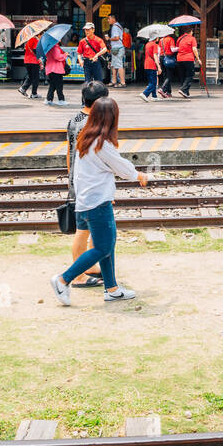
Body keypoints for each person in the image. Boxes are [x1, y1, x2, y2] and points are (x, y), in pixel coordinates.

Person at [50, 97, 147, 306]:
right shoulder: (101, 144)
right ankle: (62, 279)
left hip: (85, 200)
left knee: (107, 244)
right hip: (97, 203)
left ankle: (111, 289)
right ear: (111, 119)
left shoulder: (85, 137)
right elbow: (122, 168)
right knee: (103, 247)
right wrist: (140, 176)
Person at [66, 80, 111, 286]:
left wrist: (71, 177)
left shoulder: (74, 119)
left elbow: (69, 151)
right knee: (84, 230)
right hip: (90, 183)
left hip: (77, 179)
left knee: (88, 228)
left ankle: (89, 267)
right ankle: (78, 275)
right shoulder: (95, 123)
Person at [174, 26, 199, 98]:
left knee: (183, 76)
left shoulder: (179, 38)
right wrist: (198, 58)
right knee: (190, 75)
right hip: (188, 59)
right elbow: (194, 49)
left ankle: (186, 92)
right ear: (191, 32)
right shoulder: (192, 38)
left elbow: (177, 48)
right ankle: (183, 89)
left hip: (179, 59)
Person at [44, 36, 68, 105]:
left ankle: (49, 99)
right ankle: (61, 100)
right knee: (59, 85)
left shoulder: (49, 47)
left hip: (51, 69)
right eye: (59, 37)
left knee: (53, 85)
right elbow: (58, 57)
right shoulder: (55, 47)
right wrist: (65, 55)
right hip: (56, 69)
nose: (60, 39)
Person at [18, 32, 42, 99]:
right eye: (42, 35)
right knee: (36, 78)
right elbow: (35, 50)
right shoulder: (35, 40)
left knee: (31, 76)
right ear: (39, 34)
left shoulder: (29, 40)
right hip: (33, 61)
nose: (42, 36)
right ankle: (34, 93)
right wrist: (39, 57)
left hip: (27, 61)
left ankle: (23, 88)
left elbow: (25, 50)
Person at [107, 15, 127, 88]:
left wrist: (109, 38)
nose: (108, 20)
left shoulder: (115, 27)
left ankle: (122, 82)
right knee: (114, 65)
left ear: (113, 19)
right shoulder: (118, 25)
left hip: (117, 48)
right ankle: (114, 81)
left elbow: (117, 38)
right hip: (118, 48)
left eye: (109, 18)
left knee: (118, 65)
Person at [140, 34, 160, 102]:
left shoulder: (147, 44)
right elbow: (155, 56)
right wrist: (159, 66)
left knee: (151, 81)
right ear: (156, 38)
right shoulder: (155, 45)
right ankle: (145, 93)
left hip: (146, 64)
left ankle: (154, 96)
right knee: (154, 82)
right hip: (152, 65)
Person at [157, 31, 177, 97]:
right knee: (169, 76)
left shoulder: (161, 40)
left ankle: (168, 92)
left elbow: (159, 51)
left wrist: (158, 61)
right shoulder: (170, 39)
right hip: (168, 58)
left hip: (162, 58)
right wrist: (179, 48)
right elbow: (173, 49)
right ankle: (162, 89)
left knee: (165, 76)